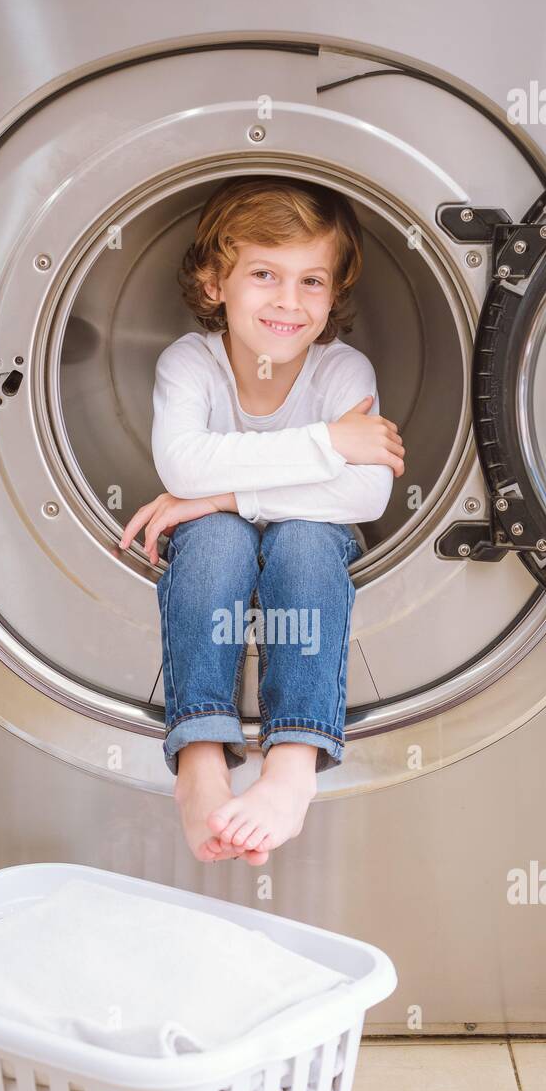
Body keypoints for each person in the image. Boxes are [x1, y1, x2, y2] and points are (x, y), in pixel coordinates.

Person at [120, 176, 404, 864]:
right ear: (215, 283)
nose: (287, 300)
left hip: (306, 544)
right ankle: (199, 765)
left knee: (303, 545)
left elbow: (366, 497)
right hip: (214, 540)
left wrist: (224, 496)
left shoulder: (342, 370)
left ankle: (293, 765)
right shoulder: (190, 362)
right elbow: (183, 467)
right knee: (213, 545)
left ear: (334, 293)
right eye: (264, 274)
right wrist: (327, 446)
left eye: (312, 280)